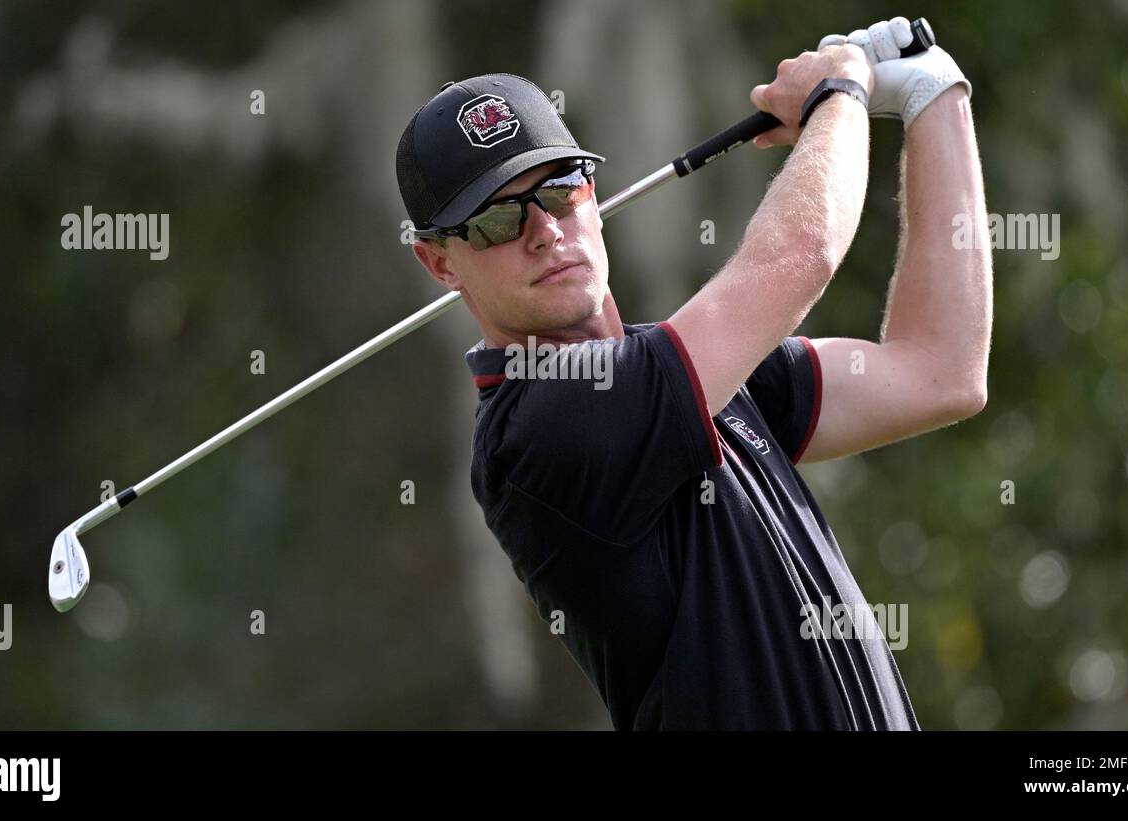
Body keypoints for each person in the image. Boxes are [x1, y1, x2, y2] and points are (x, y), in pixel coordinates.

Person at [396, 17, 991, 729]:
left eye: (558, 188)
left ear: (594, 196)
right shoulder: (541, 428)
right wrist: (840, 91)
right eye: (495, 221)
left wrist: (934, 96)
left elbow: (941, 370)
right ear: (439, 263)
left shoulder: (697, 376)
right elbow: (801, 254)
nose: (545, 231)